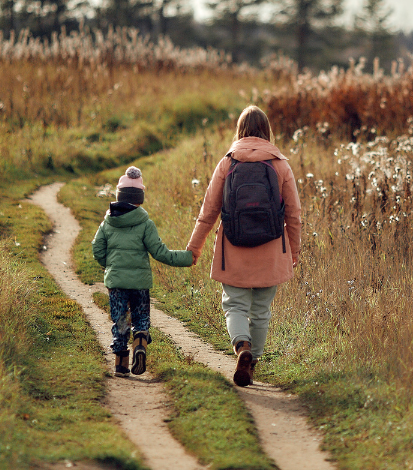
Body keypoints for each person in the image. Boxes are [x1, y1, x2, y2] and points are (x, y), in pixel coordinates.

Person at [187, 105, 302, 387]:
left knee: (235, 306)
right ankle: (253, 364)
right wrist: (294, 253)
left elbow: (209, 211)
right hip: (272, 248)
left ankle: (242, 348)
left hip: (233, 248)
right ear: (267, 131)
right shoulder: (280, 164)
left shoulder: (227, 163)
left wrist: (194, 248)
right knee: (261, 310)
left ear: (239, 130)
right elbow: (294, 215)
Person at [92, 165, 194, 377]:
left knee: (120, 320)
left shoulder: (107, 222)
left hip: (117, 283)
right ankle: (140, 342)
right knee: (141, 318)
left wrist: (109, 266)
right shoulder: (145, 223)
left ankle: (121, 364)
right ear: (140, 199)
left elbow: (97, 249)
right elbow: (160, 252)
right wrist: (188, 257)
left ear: (119, 197)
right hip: (139, 284)